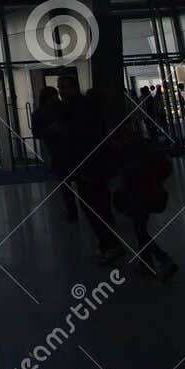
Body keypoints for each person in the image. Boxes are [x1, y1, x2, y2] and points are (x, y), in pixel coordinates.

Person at [68, 86, 127, 264]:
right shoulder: (102, 122)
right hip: (101, 172)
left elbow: (85, 148)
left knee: (93, 208)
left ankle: (109, 244)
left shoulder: (87, 124)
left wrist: (84, 170)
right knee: (102, 208)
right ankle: (107, 244)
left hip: (90, 172)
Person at [113, 131, 178, 279]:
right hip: (152, 194)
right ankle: (146, 262)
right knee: (140, 228)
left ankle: (163, 258)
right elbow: (165, 167)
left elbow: (127, 178)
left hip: (138, 197)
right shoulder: (146, 148)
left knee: (140, 231)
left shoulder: (127, 156)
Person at [30, 85, 77, 220]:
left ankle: (72, 210)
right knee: (70, 180)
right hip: (68, 149)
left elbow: (37, 133)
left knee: (65, 182)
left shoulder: (41, 113)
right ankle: (73, 210)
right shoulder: (65, 109)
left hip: (57, 150)